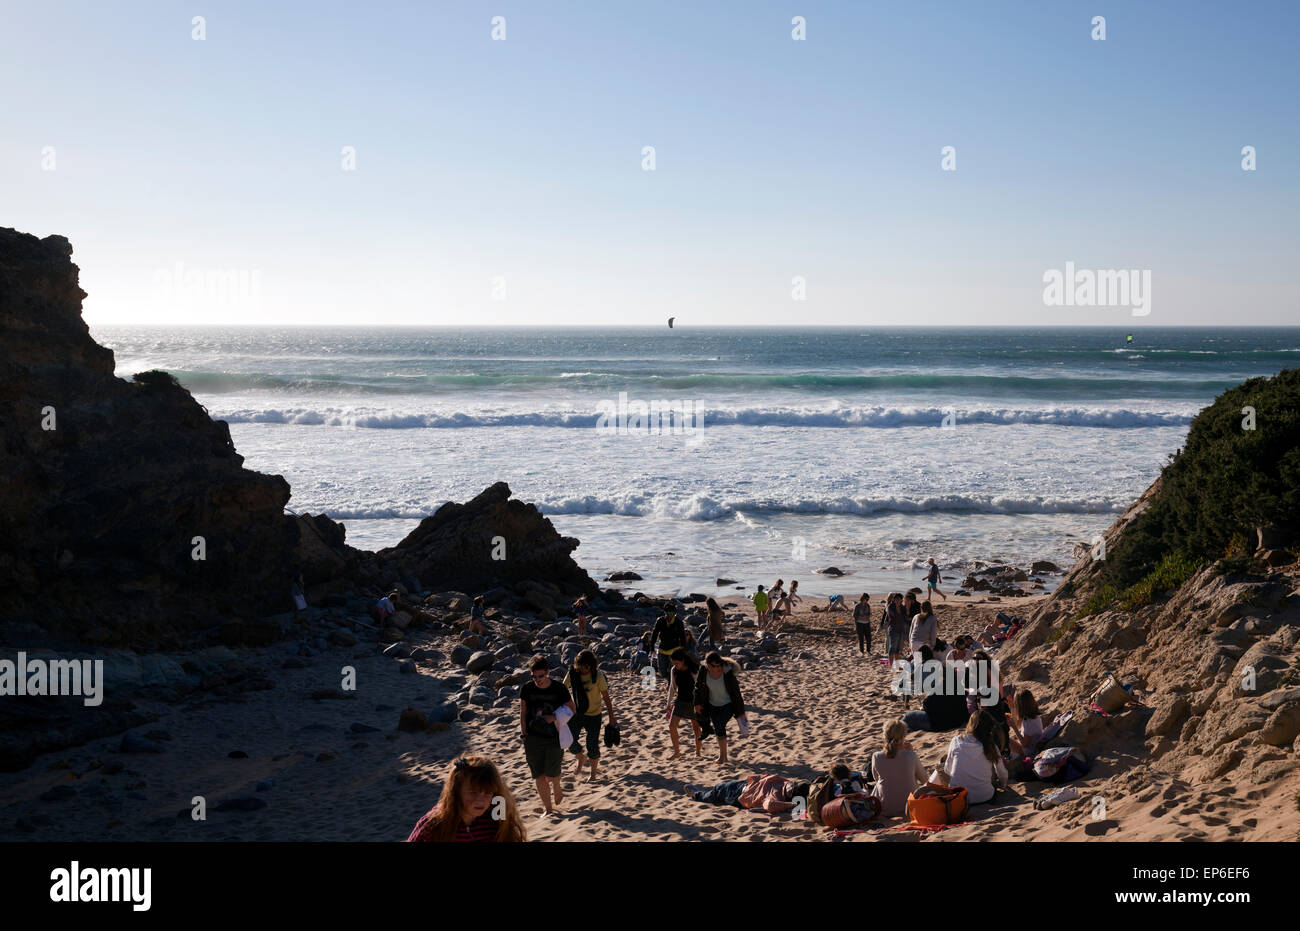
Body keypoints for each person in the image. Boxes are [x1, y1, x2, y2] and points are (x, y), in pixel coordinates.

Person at [407, 754, 526, 842]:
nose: (481, 800)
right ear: (457, 790)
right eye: (473, 792)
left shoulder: (497, 819)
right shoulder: (435, 823)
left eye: (487, 793)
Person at [519, 654, 575, 817]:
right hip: (532, 738)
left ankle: (557, 788)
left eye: (541, 676)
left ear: (548, 672)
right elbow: (523, 712)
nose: (537, 679)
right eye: (534, 676)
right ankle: (548, 809)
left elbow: (571, 709)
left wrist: (555, 716)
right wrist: (524, 735)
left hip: (554, 737)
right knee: (539, 775)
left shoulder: (559, 688)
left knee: (551, 774)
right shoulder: (527, 689)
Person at [563, 650, 616, 782]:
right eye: (581, 666)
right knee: (569, 741)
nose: (584, 669)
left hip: (594, 716)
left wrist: (611, 717)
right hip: (577, 714)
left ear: (592, 666)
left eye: (587, 666)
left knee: (591, 745)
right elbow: (562, 690)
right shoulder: (573, 674)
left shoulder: (598, 676)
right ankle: (581, 757)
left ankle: (593, 774)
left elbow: (606, 698)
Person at [939, 711, 1007, 804]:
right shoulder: (990, 745)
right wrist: (1003, 785)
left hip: (959, 798)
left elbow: (947, 769)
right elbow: (1002, 773)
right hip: (984, 796)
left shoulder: (957, 741)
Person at [694, 652, 749, 765]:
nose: (716, 668)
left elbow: (736, 694)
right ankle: (723, 756)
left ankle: (723, 757)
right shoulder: (703, 671)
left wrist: (741, 712)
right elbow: (698, 688)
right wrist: (697, 703)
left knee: (719, 725)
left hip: (728, 705)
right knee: (719, 729)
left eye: (718, 665)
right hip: (712, 705)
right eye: (713, 666)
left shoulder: (727, 673)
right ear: (707, 665)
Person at [870, 720, 928, 818]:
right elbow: (924, 779)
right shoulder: (910, 755)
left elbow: (876, 779)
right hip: (909, 807)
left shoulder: (876, 756)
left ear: (885, 736)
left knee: (878, 785)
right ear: (903, 737)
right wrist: (910, 754)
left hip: (885, 808)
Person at [666, 648, 704, 759]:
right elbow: (672, 688)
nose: (675, 665)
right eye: (674, 663)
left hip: (694, 702)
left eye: (677, 663)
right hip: (680, 701)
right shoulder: (674, 670)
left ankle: (697, 753)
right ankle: (677, 752)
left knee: (696, 728)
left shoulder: (693, 670)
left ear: (683, 660)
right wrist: (668, 703)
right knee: (672, 726)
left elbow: (700, 688)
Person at [649, 602, 695, 679]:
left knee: (672, 670)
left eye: (672, 612)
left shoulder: (678, 622)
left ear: (674, 613)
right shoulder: (660, 621)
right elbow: (654, 634)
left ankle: (670, 684)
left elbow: (682, 637)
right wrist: (652, 647)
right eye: (668, 612)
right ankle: (668, 681)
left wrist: (683, 650)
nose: (670, 614)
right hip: (662, 649)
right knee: (662, 671)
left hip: (674, 650)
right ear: (665, 612)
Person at [1009, 688, 1044, 758]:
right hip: (1032, 747)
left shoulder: (1028, 722)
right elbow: (1018, 724)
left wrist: (1014, 728)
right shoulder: (1033, 716)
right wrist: (1012, 708)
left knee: (1007, 740)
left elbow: (1025, 744)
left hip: (1029, 752)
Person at [881, 593, 909, 666]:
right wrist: (897, 607)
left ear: (901, 600)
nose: (897, 600)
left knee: (898, 649)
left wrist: (907, 609)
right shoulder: (890, 606)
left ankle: (896, 664)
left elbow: (905, 617)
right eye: (896, 599)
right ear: (894, 599)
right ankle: (890, 664)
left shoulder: (903, 607)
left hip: (901, 629)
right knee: (892, 647)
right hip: (893, 629)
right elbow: (892, 617)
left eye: (899, 599)